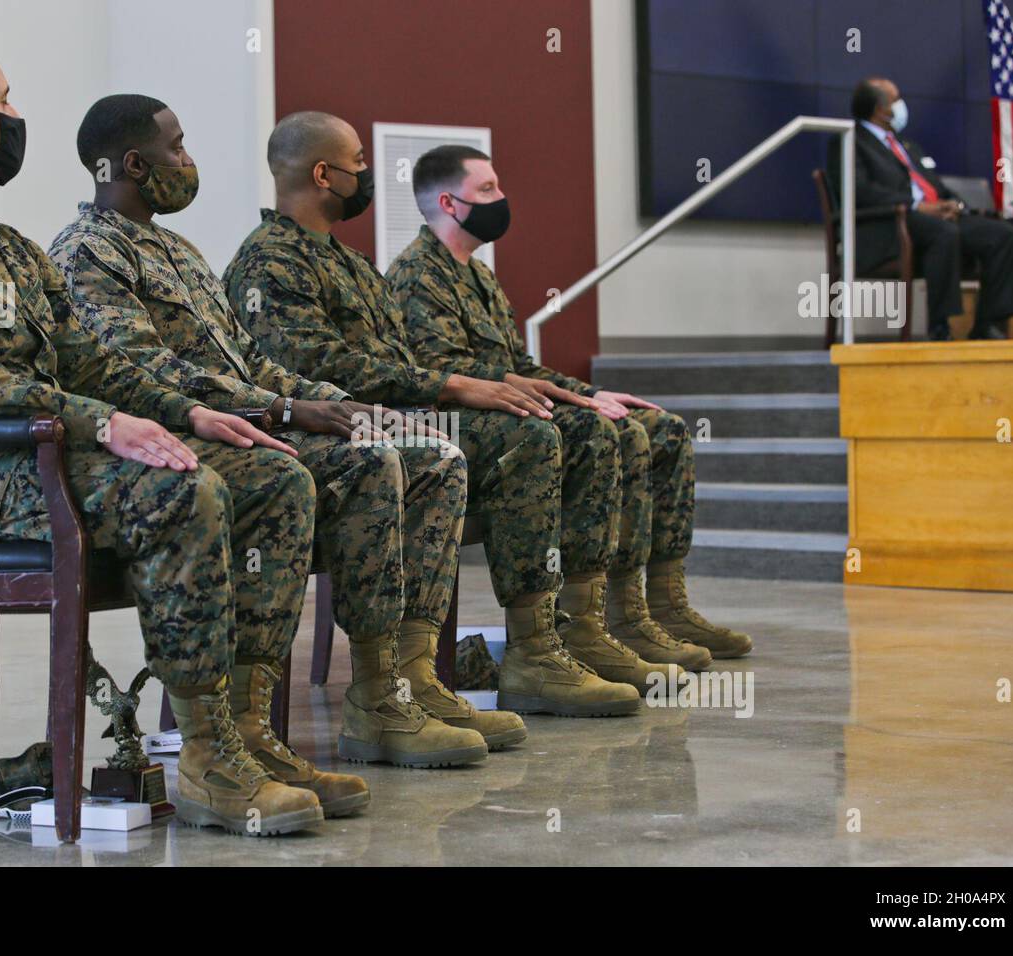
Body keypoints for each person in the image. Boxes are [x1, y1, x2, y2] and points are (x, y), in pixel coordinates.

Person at [0, 40, 324, 836]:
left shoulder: (13, 250)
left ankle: (247, 734)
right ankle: (206, 762)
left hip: (43, 453)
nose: (18, 116)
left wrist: (184, 412)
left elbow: (94, 360)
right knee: (179, 489)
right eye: (7, 98)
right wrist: (100, 421)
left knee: (273, 479)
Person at [50, 94, 520, 772]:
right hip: (193, 433)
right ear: (133, 164)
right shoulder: (87, 252)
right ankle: (280, 723)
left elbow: (248, 359)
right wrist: (290, 412)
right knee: (365, 464)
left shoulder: (175, 249)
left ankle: (398, 682)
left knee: (433, 457)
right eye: (177, 148)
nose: (189, 161)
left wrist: (338, 404)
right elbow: (146, 373)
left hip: (249, 417)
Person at [224, 111, 645, 719]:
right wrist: (451, 386)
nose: (367, 173)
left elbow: (397, 359)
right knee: (524, 436)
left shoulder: (348, 262)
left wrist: (459, 387)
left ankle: (552, 641)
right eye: (359, 162)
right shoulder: (271, 261)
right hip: (340, 430)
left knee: (560, 426)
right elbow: (316, 365)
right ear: (323, 174)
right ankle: (524, 655)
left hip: (403, 419)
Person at [388, 145, 751, 665]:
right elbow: (447, 372)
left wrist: (586, 393)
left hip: (512, 404)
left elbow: (518, 362)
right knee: (601, 433)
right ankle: (582, 628)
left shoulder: (478, 274)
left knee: (658, 428)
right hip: (464, 419)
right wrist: (567, 402)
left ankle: (653, 609)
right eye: (487, 190)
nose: (501, 198)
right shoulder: (417, 274)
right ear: (448, 203)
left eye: (499, 186)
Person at [831, 76, 1013, 341]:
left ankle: (989, 324)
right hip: (887, 226)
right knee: (943, 233)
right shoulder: (851, 141)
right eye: (896, 99)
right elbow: (859, 191)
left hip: (931, 221)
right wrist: (918, 206)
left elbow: (933, 185)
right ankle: (940, 325)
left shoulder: (905, 145)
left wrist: (952, 204)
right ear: (879, 109)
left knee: (1003, 235)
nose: (901, 105)